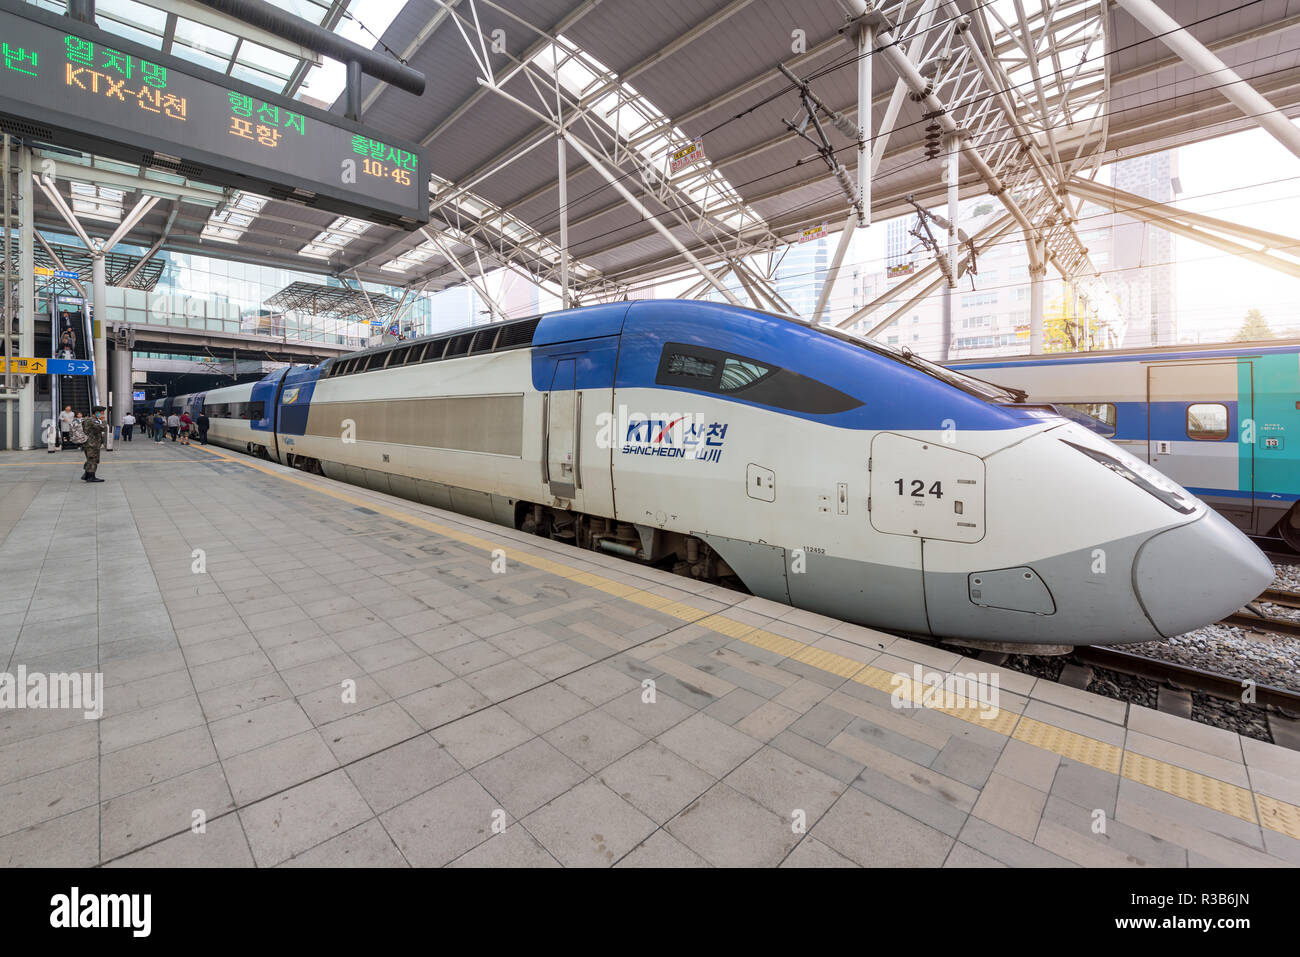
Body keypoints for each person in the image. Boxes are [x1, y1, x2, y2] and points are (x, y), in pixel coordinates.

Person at [81, 406, 106, 482]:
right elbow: (103, 428)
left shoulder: (92, 420)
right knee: (93, 459)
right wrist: (103, 421)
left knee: (90, 459)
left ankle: (86, 475)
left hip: (91, 443)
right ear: (97, 413)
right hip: (92, 444)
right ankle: (91, 477)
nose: (103, 414)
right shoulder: (92, 420)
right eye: (101, 413)